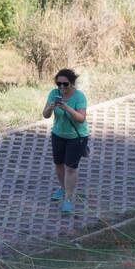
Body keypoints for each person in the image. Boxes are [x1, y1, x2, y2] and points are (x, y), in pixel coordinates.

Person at [42, 68, 88, 213]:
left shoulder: (79, 97)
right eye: (59, 84)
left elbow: (81, 119)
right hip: (58, 135)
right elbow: (45, 115)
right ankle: (63, 189)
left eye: (65, 84)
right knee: (59, 165)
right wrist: (50, 107)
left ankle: (68, 199)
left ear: (72, 83)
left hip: (76, 137)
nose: (61, 87)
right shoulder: (53, 94)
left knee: (71, 168)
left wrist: (67, 108)